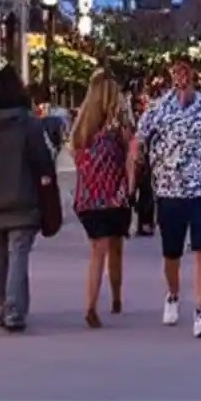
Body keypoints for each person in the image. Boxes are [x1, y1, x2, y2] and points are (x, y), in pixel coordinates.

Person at [130, 57, 201, 339]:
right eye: (177, 72)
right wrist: (134, 171)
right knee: (171, 253)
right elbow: (139, 140)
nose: (182, 77)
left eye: (186, 72)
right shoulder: (158, 109)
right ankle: (172, 295)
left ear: (194, 75)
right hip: (169, 190)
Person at [0, 66, 57, 333]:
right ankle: (14, 310)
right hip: (23, 198)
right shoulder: (28, 123)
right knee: (18, 254)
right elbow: (42, 161)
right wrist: (47, 191)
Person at [71, 70, 132, 328]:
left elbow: (76, 156)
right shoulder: (119, 124)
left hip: (87, 197)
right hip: (114, 195)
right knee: (115, 247)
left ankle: (90, 304)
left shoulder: (82, 126)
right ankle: (116, 298)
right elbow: (131, 151)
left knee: (97, 250)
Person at [128, 92, 157, 236]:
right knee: (131, 190)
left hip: (145, 156)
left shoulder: (149, 117)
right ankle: (133, 222)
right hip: (133, 156)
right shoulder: (128, 118)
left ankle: (145, 222)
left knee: (146, 191)